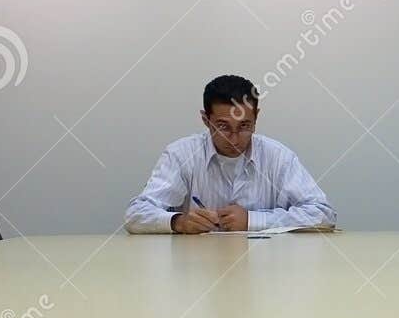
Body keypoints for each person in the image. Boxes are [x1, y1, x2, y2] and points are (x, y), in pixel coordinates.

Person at [124, 74, 336, 234]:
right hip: (195, 270)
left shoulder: (278, 157)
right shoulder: (181, 155)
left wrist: (253, 221)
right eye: (223, 127)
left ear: (257, 117)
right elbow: (135, 214)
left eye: (244, 125)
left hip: (265, 270)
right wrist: (178, 221)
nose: (234, 139)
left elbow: (323, 215)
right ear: (205, 120)